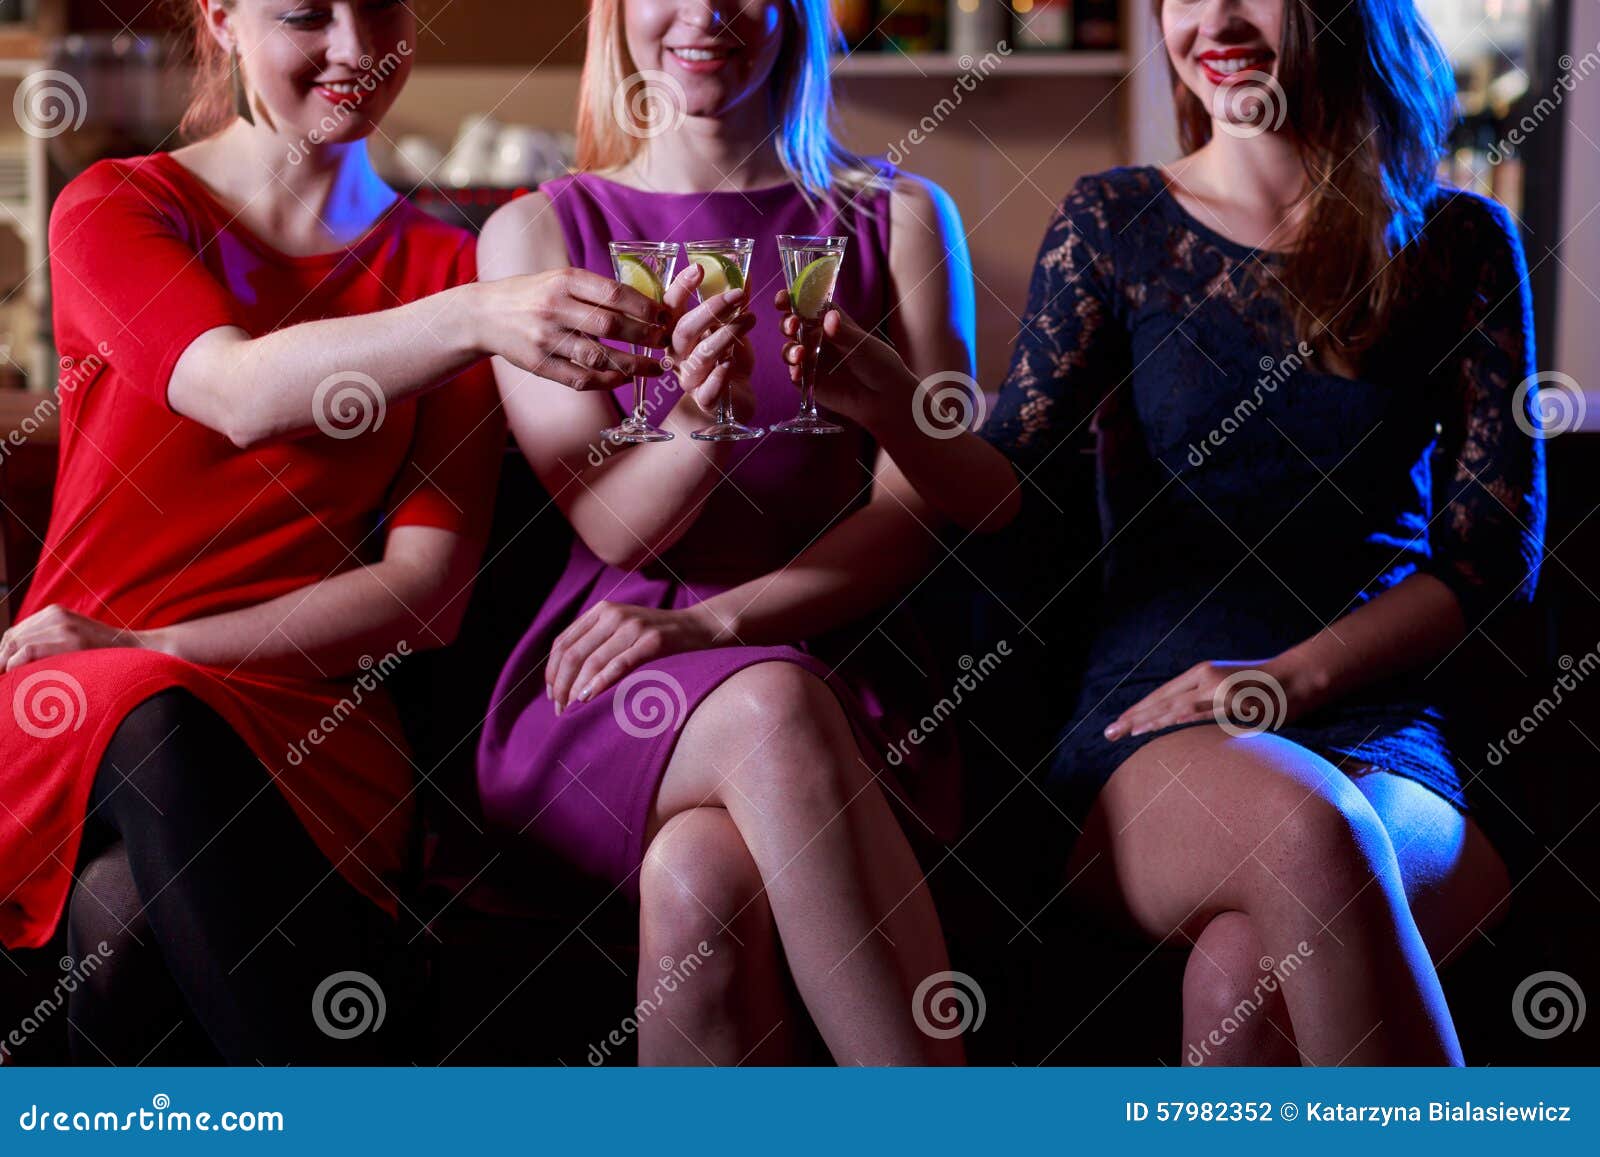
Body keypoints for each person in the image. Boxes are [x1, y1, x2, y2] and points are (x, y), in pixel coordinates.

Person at [557, 0, 1546, 1065]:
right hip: (1157, 724)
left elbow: (1491, 556)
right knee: (1309, 830)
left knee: (1238, 978)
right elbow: (1006, 496)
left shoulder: (1460, 241)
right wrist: (898, 409)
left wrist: (1291, 679)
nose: (1211, 17)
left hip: (1380, 731)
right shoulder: (1113, 222)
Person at [0, 0, 660, 1064]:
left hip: (303, 722)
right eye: (307, 15)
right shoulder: (119, 205)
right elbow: (237, 388)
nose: (357, 50)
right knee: (150, 735)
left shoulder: (445, 266)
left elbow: (424, 590)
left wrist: (160, 651)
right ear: (219, 17)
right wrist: (480, 317)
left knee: (124, 927)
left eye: (383, 10)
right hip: (73, 682)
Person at [475, 0, 977, 1065]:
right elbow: (609, 522)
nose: (706, 14)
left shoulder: (901, 216)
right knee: (771, 709)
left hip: (837, 647)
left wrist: (722, 624)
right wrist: (698, 425)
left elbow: (915, 515)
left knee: (698, 882)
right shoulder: (534, 233)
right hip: (609, 666)